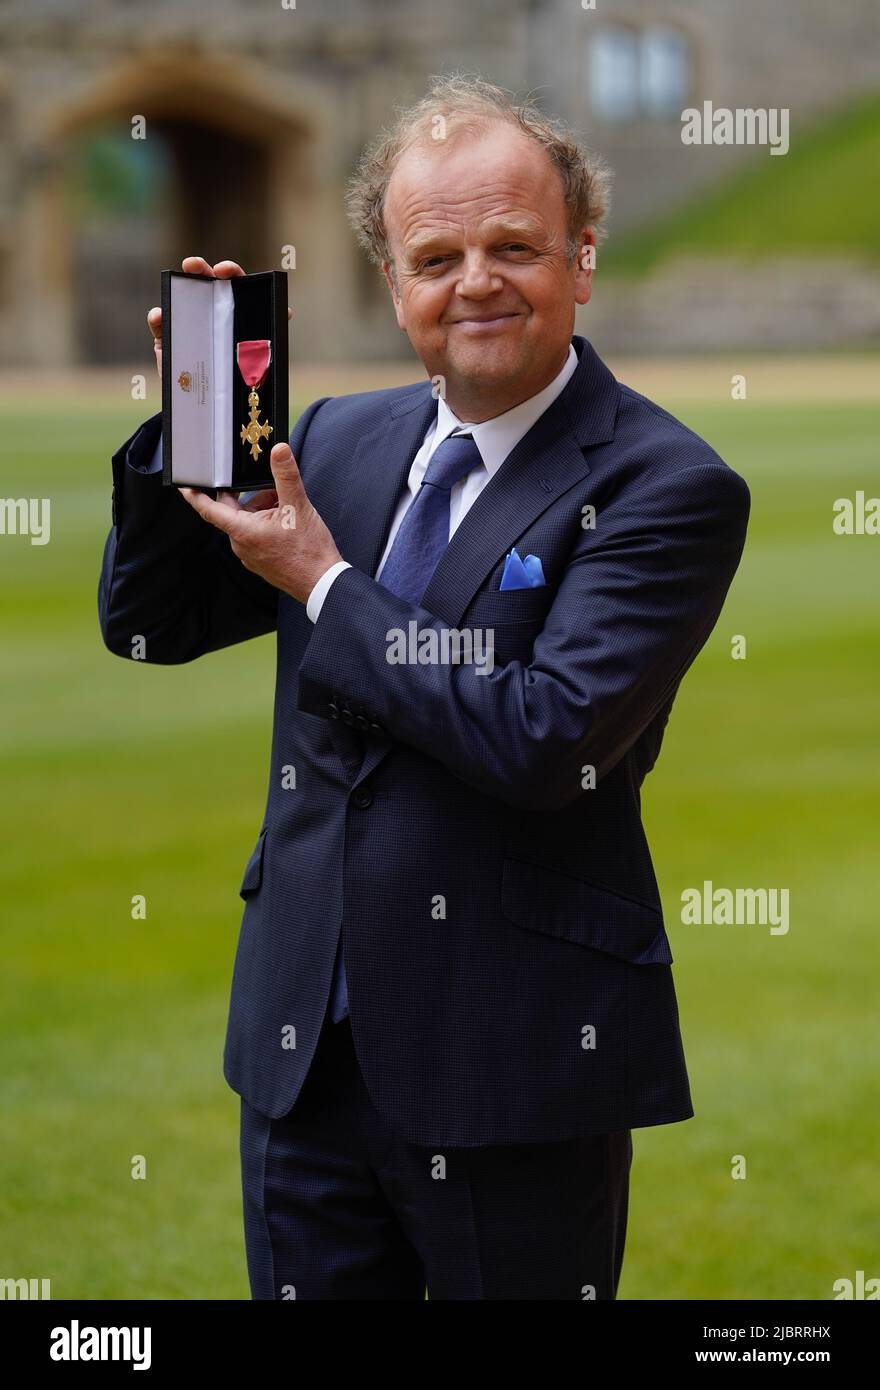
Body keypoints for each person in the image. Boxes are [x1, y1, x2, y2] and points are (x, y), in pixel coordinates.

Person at [98, 75, 750, 1300]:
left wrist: (328, 580)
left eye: (515, 246)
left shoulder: (668, 484)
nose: (476, 283)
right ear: (393, 283)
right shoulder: (340, 438)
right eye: (435, 255)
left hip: (509, 1057)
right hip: (303, 1048)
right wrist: (185, 429)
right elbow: (152, 624)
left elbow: (544, 738)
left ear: (583, 258)